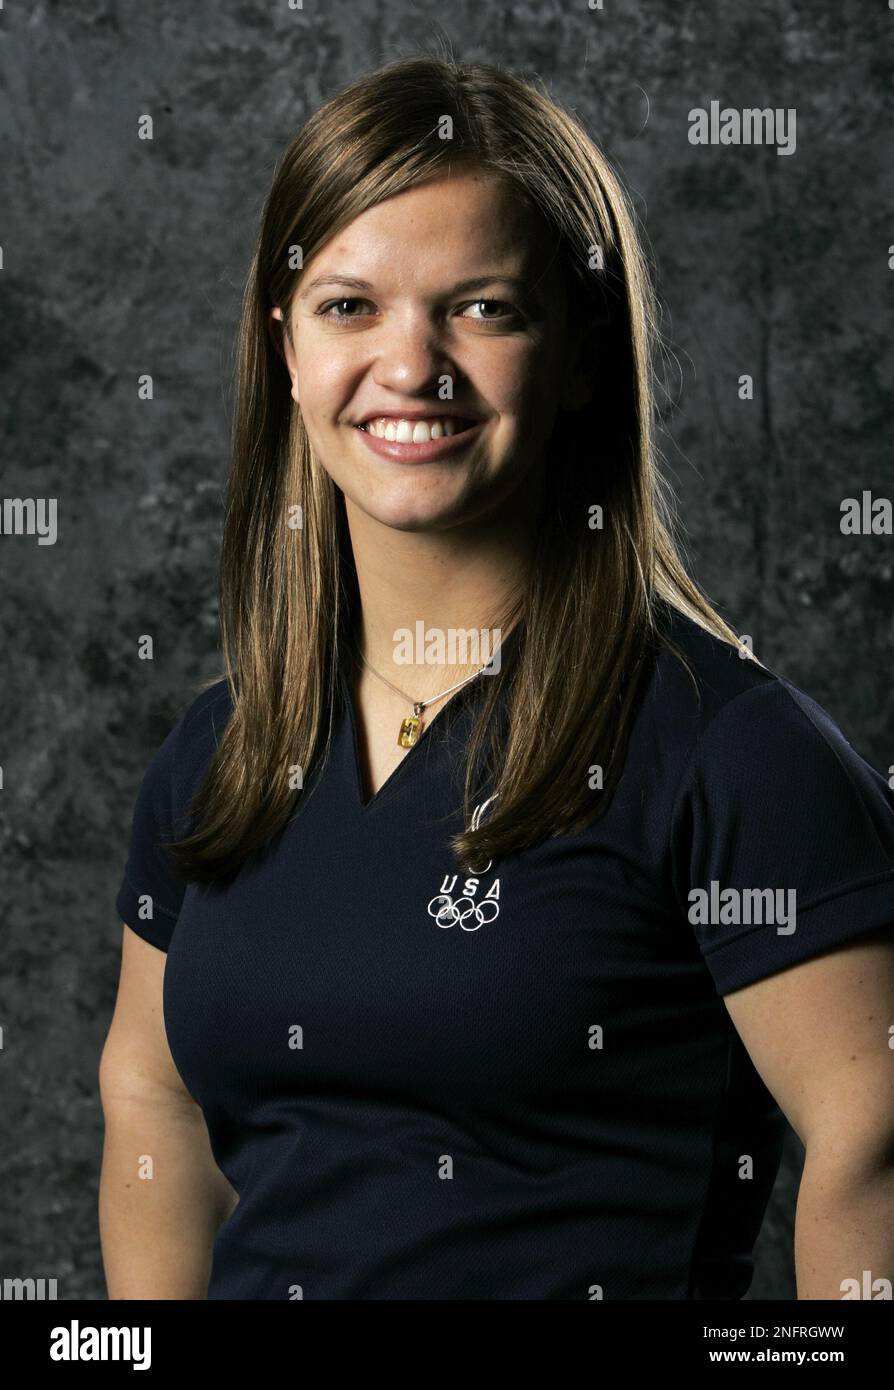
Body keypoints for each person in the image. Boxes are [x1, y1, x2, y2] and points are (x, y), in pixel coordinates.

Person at [99, 53, 894, 1301]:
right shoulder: (220, 751)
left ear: (580, 351)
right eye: (349, 307)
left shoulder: (735, 751)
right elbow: (151, 1100)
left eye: (484, 308)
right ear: (287, 347)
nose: (412, 367)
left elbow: (873, 1144)